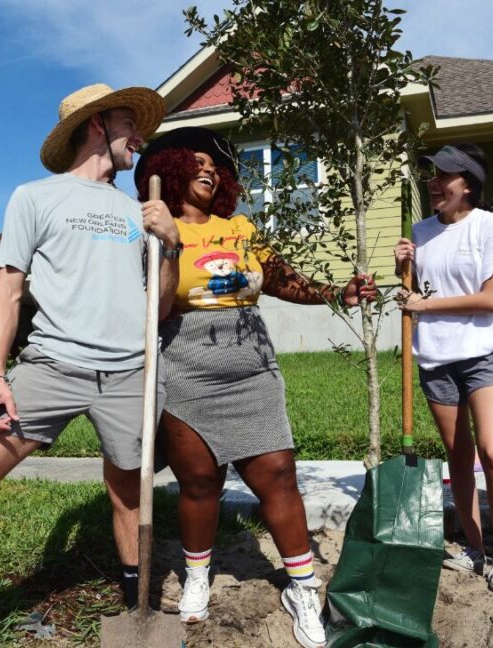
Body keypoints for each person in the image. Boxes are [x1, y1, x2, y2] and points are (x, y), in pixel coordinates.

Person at [0, 84, 183, 648]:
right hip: (51, 366)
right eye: (129, 125)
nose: (141, 138)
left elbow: (158, 307)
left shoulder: (139, 209)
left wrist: (170, 246)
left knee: (127, 494)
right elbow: (8, 289)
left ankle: (134, 612)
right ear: (97, 125)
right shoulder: (35, 198)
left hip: (129, 374)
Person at [134, 127, 377, 648]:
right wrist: (170, 246)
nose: (209, 169)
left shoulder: (240, 227)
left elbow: (284, 279)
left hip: (251, 367)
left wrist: (338, 293)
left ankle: (302, 587)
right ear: (172, 169)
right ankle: (198, 575)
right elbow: (158, 311)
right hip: (186, 366)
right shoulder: (156, 231)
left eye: (214, 164)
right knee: (200, 483)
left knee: (278, 477)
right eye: (195, 162)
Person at [393, 143, 493, 596]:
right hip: (435, 356)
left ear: (468, 185)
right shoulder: (420, 230)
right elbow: (411, 289)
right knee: (458, 456)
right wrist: (401, 264)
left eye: (444, 175)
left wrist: (424, 304)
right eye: (431, 174)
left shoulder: (490, 226)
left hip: (483, 351)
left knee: (491, 449)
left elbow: (490, 300)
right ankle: (475, 547)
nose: (433, 182)